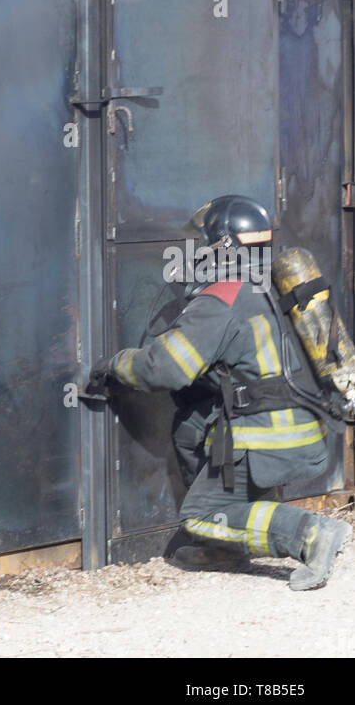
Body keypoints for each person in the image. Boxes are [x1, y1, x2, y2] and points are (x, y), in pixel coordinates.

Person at [88, 195, 351, 591]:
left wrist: (113, 365)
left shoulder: (223, 297)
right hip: (304, 432)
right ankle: (223, 550)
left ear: (224, 246)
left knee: (200, 515)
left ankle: (309, 532)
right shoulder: (278, 287)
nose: (200, 252)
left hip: (266, 438)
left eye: (206, 243)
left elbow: (166, 368)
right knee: (191, 424)